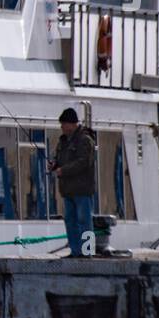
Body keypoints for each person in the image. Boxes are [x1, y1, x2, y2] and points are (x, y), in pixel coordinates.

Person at [49, 107, 96, 257]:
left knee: (84, 221)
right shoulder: (63, 141)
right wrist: (55, 165)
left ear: (71, 123)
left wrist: (64, 170)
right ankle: (75, 251)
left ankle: (88, 251)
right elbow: (60, 160)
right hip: (67, 190)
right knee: (70, 221)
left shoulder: (85, 140)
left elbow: (83, 162)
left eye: (63, 124)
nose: (61, 127)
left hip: (82, 190)